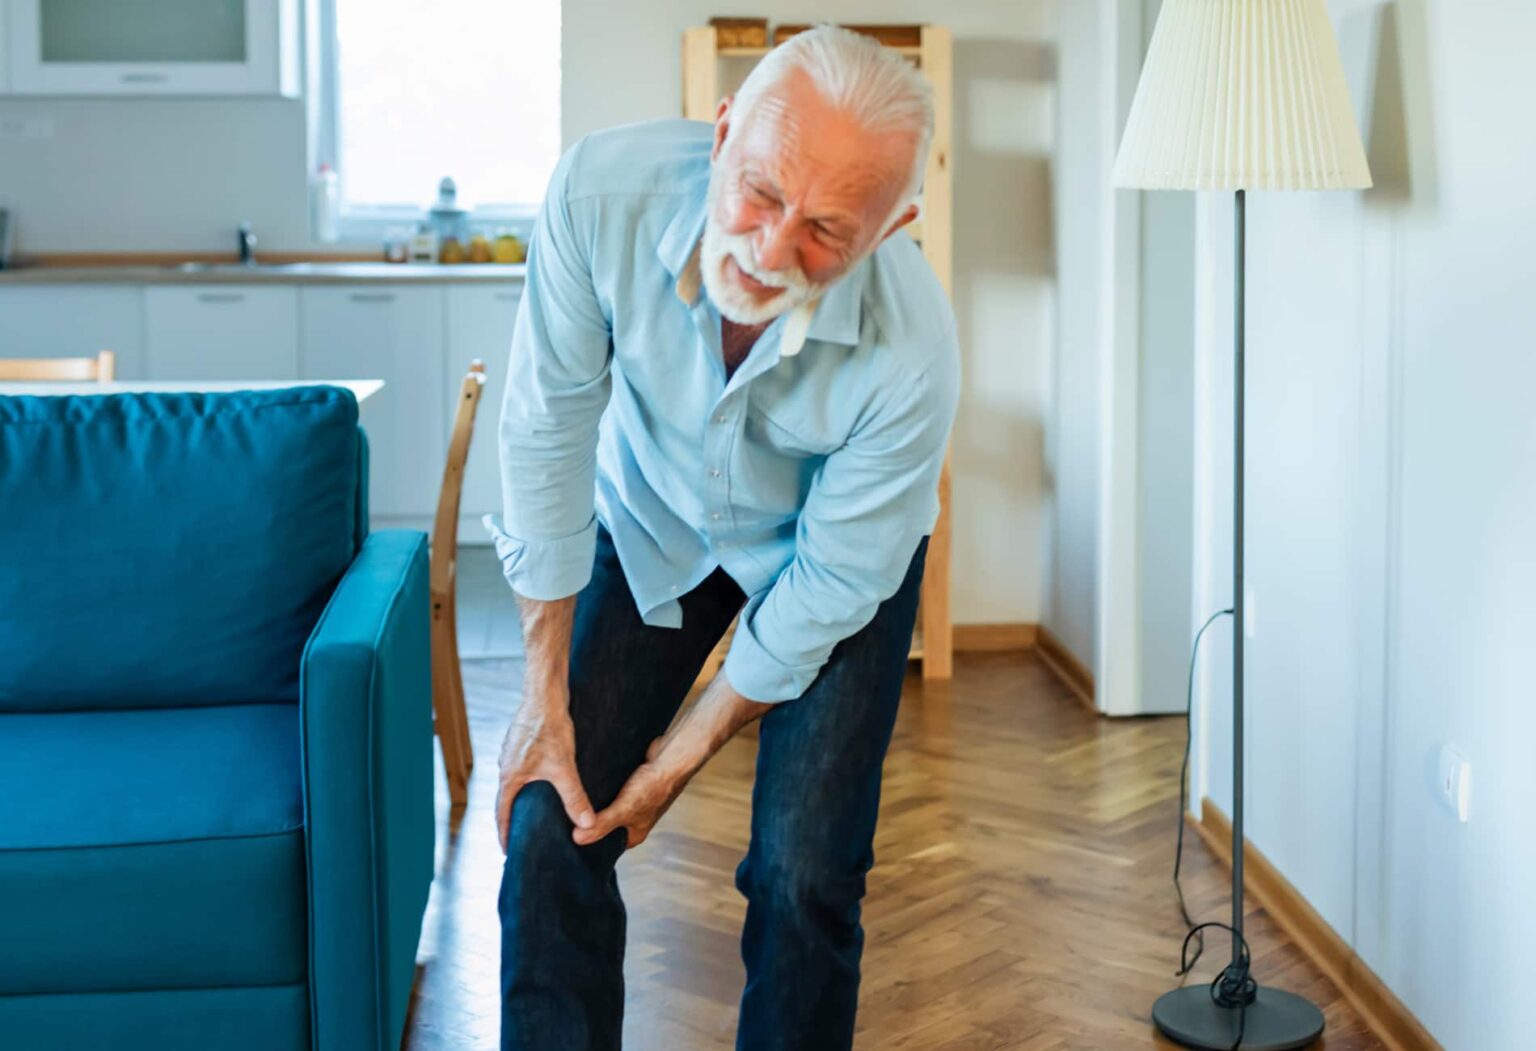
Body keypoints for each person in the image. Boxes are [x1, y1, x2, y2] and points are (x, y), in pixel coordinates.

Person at [485, 24, 959, 1051]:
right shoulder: (598, 197)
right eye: (761, 190)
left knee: (804, 872)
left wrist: (679, 757)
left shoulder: (914, 350)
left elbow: (835, 575)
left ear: (893, 228)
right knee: (543, 821)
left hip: (825, 568)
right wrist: (542, 697)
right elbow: (546, 429)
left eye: (829, 228)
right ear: (723, 130)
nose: (773, 246)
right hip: (657, 518)